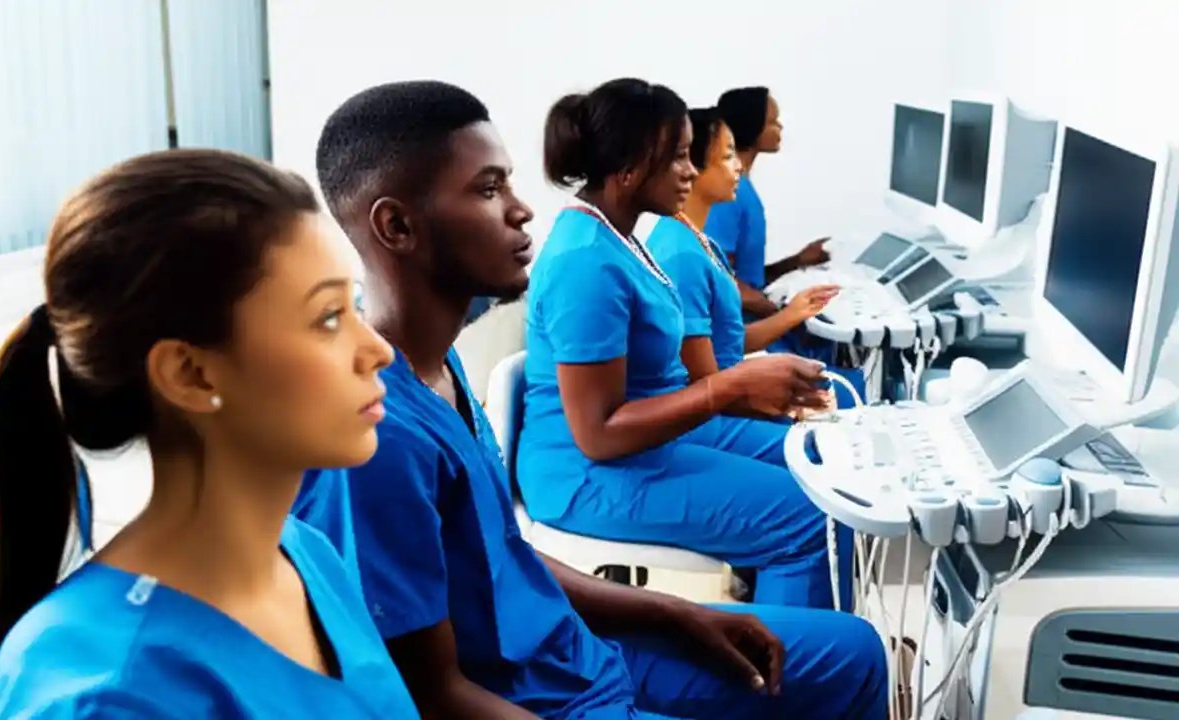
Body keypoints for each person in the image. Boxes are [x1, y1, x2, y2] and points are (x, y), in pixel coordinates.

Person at [299, 79, 886, 720]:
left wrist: (675, 611)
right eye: (489, 189)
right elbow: (429, 698)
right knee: (804, 533)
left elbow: (507, 555)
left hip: (569, 648)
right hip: (541, 690)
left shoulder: (439, 368)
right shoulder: (374, 435)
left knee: (855, 651)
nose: (522, 211)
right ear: (397, 225)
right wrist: (726, 390)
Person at [0, 150, 418, 719]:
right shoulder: (110, 696)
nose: (377, 350)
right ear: (190, 374)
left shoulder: (307, 555)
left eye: (354, 306)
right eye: (328, 317)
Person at [521, 78, 853, 610]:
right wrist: (730, 388)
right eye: (678, 157)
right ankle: (800, 674)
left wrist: (751, 391)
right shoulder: (585, 261)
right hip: (585, 476)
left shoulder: (621, 238)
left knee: (823, 471)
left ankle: (791, 630)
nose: (692, 171)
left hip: (642, 447)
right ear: (630, 167)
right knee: (813, 520)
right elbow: (598, 436)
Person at [647, 107, 839, 380]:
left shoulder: (696, 240)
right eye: (727, 156)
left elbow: (725, 343)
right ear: (691, 167)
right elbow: (704, 386)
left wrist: (796, 311)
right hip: (716, 413)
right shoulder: (681, 255)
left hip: (725, 393)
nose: (738, 165)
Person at [706, 88, 829, 333]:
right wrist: (783, 315)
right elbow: (721, 281)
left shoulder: (742, 187)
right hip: (734, 333)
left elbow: (745, 277)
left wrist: (797, 261)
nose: (780, 128)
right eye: (773, 122)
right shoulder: (730, 192)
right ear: (751, 128)